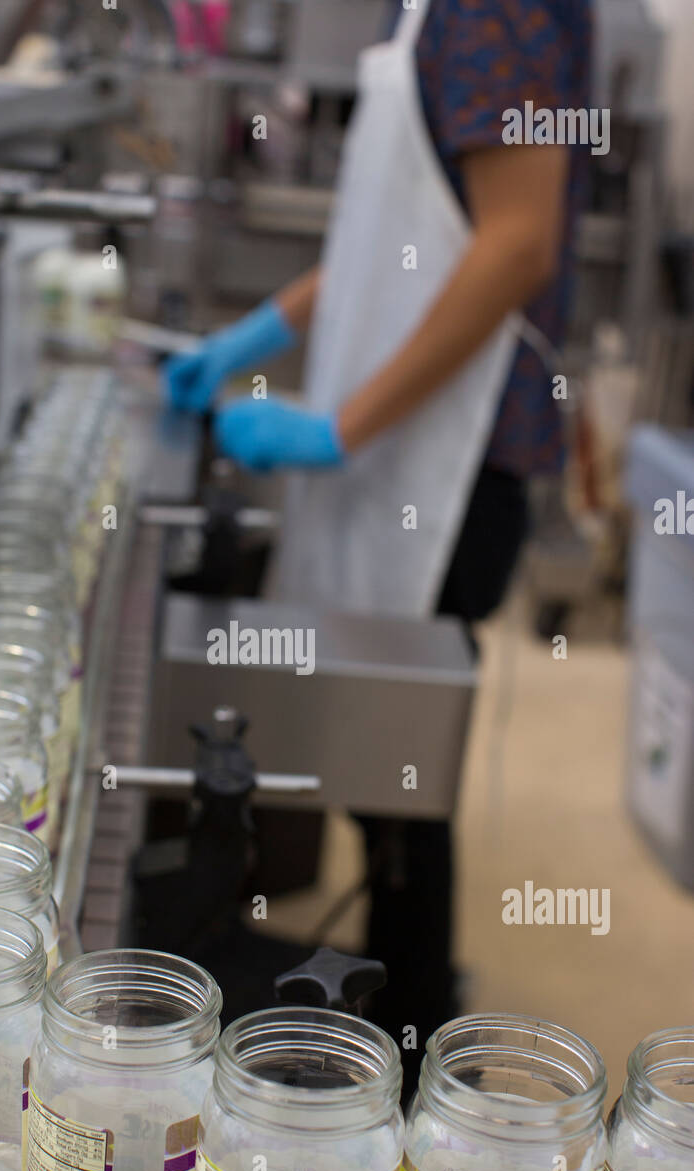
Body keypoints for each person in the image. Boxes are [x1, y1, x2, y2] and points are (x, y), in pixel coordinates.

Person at [162, 0, 592, 1092]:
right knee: (386, 772)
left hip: (451, 465)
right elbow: (387, 246)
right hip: (406, 453)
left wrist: (337, 427)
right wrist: (258, 332)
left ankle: (414, 1062)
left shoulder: (496, 9)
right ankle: (408, 1024)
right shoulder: (433, 16)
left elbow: (515, 241)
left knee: (403, 769)